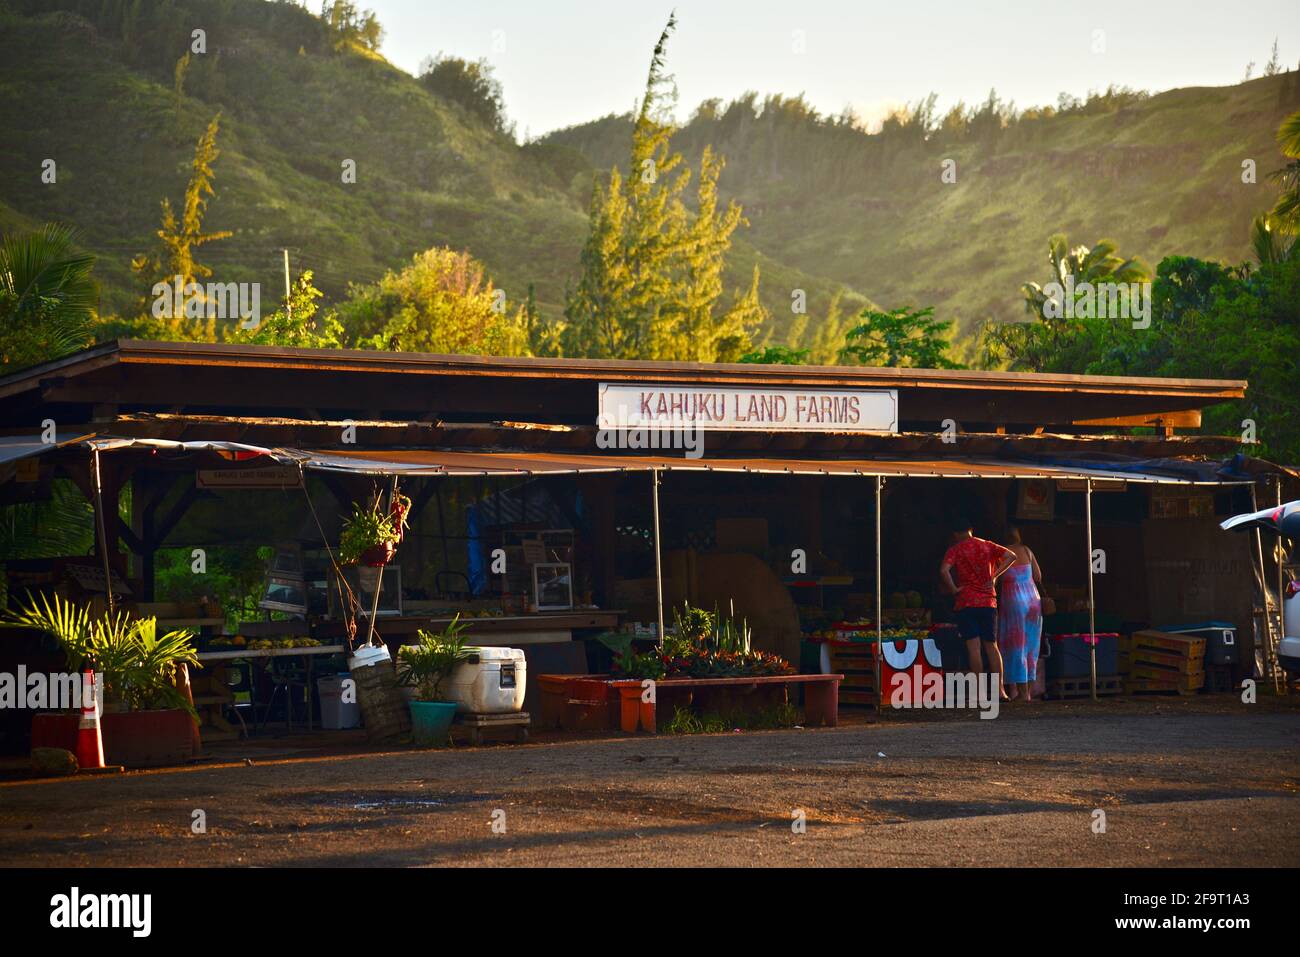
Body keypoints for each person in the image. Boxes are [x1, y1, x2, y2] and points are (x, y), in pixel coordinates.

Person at [939, 518, 1017, 700]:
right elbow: (1011, 556)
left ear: (955, 534)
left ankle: (979, 692)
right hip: (987, 602)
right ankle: (1000, 691)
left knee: (973, 648)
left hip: (966, 603)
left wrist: (953, 589)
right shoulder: (987, 545)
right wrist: (994, 575)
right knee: (991, 646)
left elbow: (943, 571)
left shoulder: (955, 550)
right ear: (971, 529)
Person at [997, 526, 1043, 702]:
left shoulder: (1003, 554)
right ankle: (1028, 692)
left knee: (1015, 646)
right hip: (1033, 600)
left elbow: (997, 577)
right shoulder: (1027, 550)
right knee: (1031, 646)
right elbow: (1038, 576)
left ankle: (1020, 692)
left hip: (1014, 601)